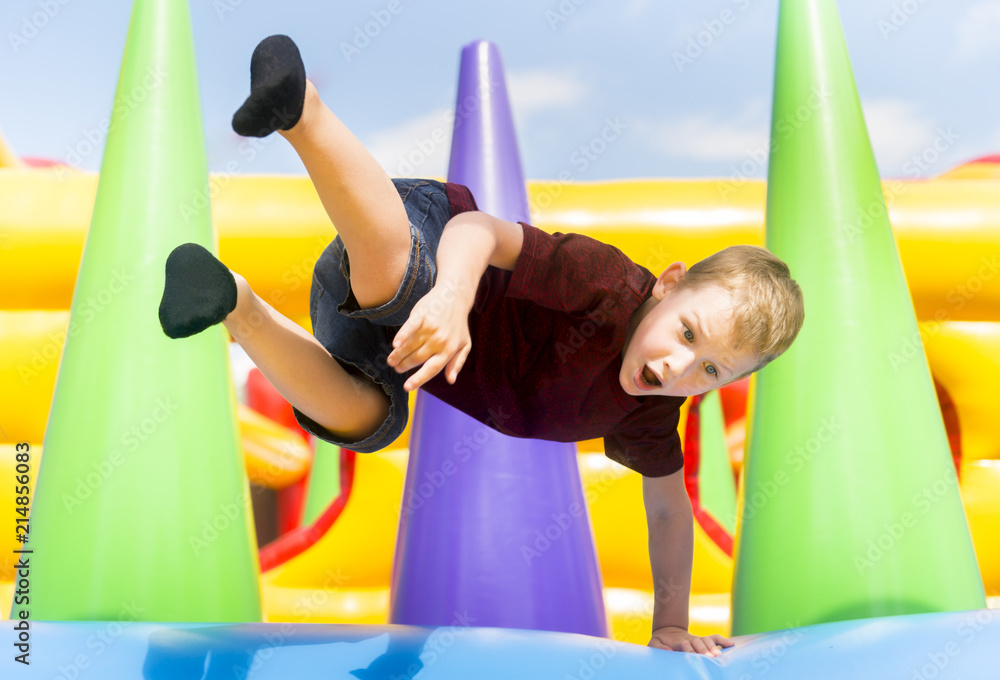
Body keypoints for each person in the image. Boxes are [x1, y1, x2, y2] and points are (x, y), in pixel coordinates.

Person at [158, 35, 804, 658]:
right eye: (687, 333)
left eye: (710, 370)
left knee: (367, 421)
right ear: (668, 285)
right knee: (410, 286)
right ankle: (303, 112)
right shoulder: (604, 284)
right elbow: (477, 230)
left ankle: (236, 304)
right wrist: (451, 298)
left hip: (368, 318)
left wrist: (670, 626)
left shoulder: (650, 414)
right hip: (418, 237)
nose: (679, 366)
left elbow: (667, 511)